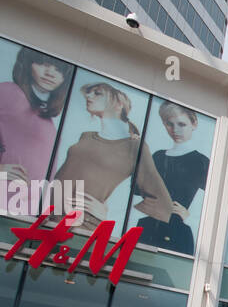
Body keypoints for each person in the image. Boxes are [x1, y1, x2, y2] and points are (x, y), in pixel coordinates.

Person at [53, 81, 173, 229]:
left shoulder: (134, 146)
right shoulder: (86, 136)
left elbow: (162, 204)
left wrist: (111, 216)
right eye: (89, 92)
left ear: (118, 104)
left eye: (98, 93)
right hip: (48, 219)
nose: (89, 96)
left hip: (80, 227)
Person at [0, 45, 71, 207]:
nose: (50, 73)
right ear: (28, 63)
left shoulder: (47, 118)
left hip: (23, 210)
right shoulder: (9, 92)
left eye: (59, 70)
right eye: (43, 64)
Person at [139, 102, 208, 254]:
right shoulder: (157, 156)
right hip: (148, 228)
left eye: (181, 124)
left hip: (178, 232)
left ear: (194, 124)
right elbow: (137, 193)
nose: (175, 130)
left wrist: (190, 217)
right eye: (170, 124)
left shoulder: (201, 162)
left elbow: (214, 205)